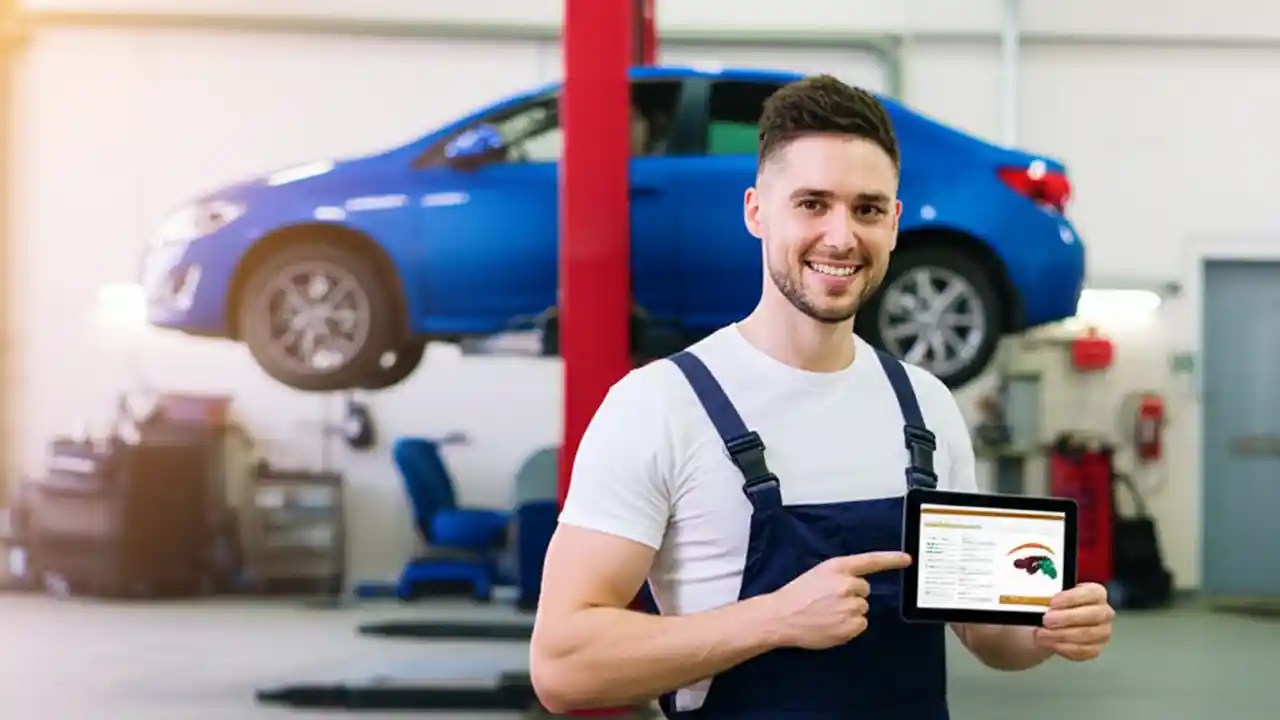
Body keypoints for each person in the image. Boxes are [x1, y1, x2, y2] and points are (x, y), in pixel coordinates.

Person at [529, 74, 1115, 718]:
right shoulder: (659, 406)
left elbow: (984, 633)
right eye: (812, 203)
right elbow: (563, 666)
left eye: (866, 209)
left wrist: (1047, 629)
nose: (840, 237)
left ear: (893, 223)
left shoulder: (925, 407)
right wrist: (773, 619)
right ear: (756, 211)